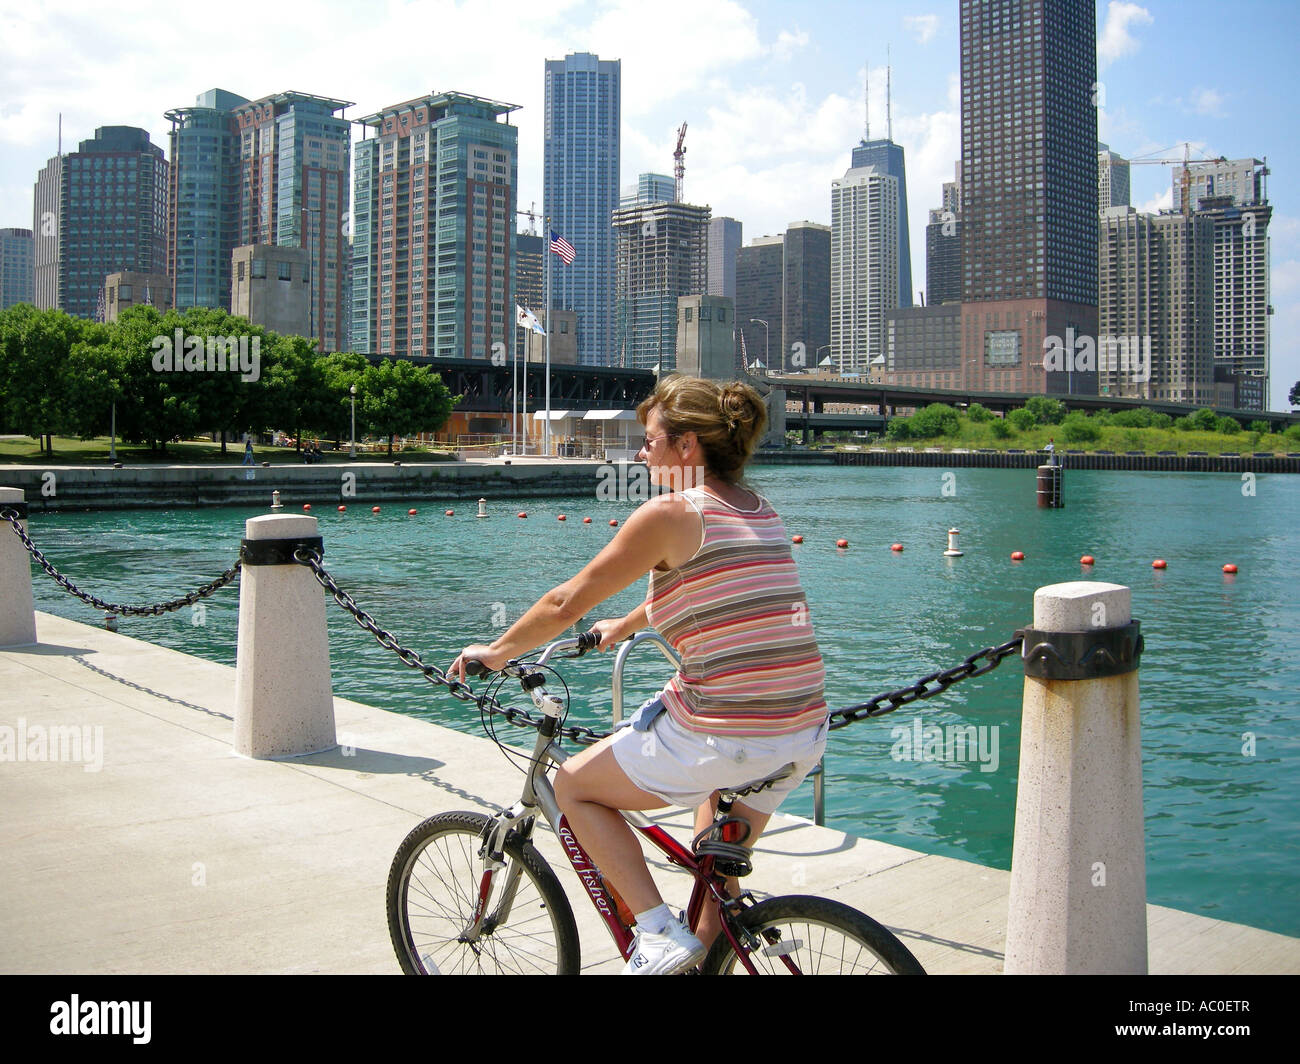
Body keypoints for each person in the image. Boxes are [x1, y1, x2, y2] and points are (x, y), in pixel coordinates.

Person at [451, 375, 828, 975]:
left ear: (686, 448)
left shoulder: (671, 511)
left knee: (573, 787)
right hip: (802, 731)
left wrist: (495, 651)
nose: (639, 452)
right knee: (714, 870)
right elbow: (704, 585)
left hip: (725, 731)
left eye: (650, 440)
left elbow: (563, 603)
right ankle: (710, 950)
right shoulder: (757, 508)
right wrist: (622, 628)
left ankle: (654, 931)